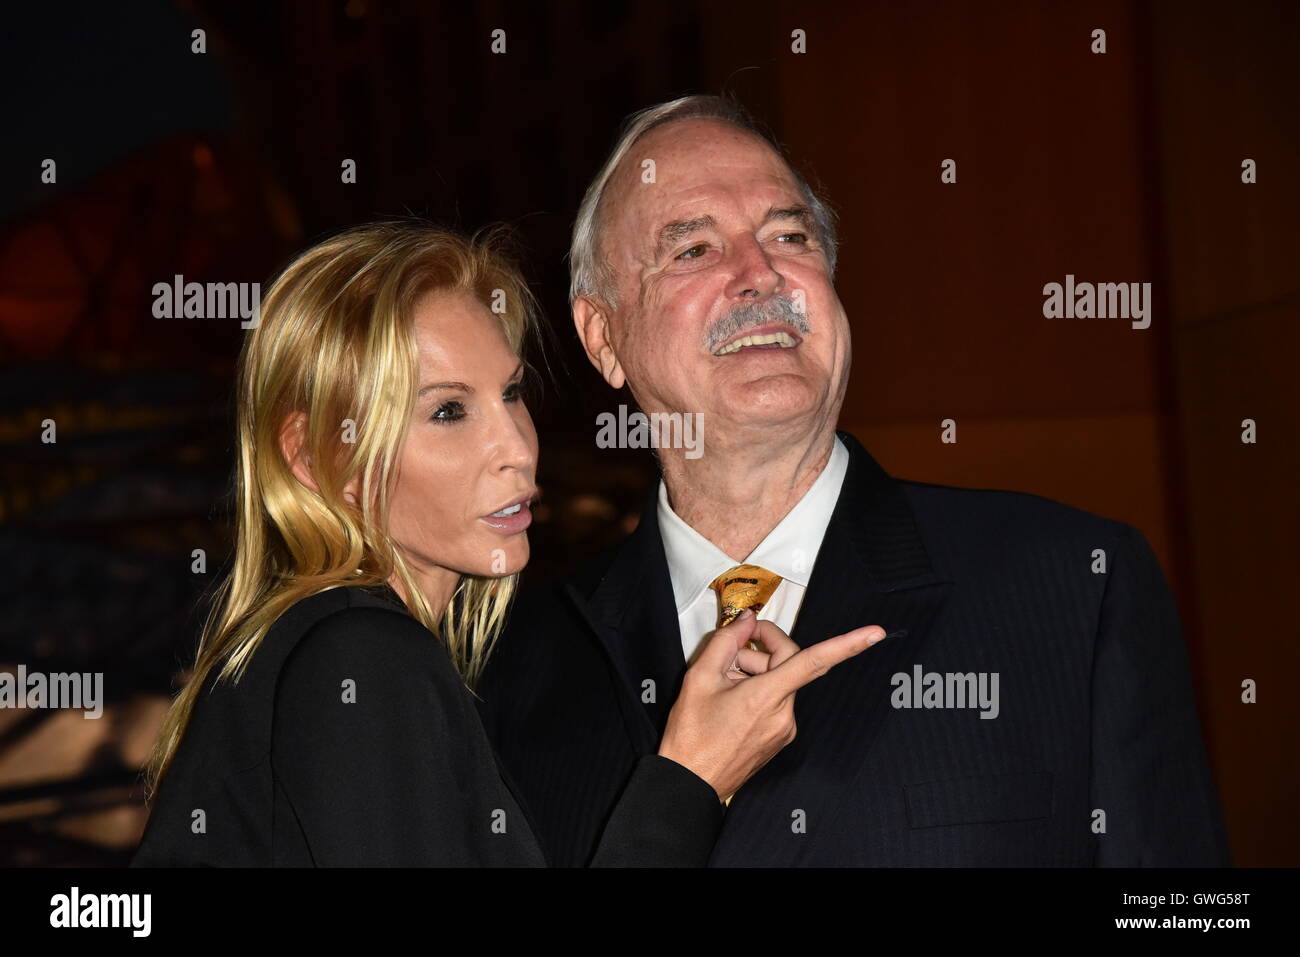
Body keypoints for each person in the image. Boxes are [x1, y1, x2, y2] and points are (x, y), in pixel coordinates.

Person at [476, 95, 1232, 867]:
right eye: (694, 250)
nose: (761, 273)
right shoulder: (511, 668)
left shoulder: (1073, 584)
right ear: (603, 337)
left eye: (790, 235)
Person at [130, 221, 884, 867]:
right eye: (449, 411)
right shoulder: (360, 654)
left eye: (513, 393)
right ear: (321, 458)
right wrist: (691, 778)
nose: (516, 448)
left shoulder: (322, 649)